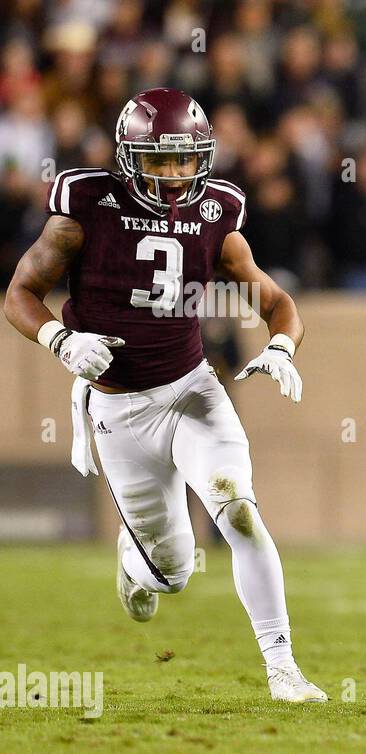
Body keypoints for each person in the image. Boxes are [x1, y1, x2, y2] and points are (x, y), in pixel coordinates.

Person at [2, 88, 325, 703]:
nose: (176, 174)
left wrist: (282, 345)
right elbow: (20, 292)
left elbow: (275, 301)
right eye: (161, 159)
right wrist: (60, 339)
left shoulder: (217, 214)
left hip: (192, 392)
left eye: (186, 159)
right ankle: (138, 562)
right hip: (118, 409)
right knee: (173, 575)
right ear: (127, 156)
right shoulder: (85, 206)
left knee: (238, 510)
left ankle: (282, 668)